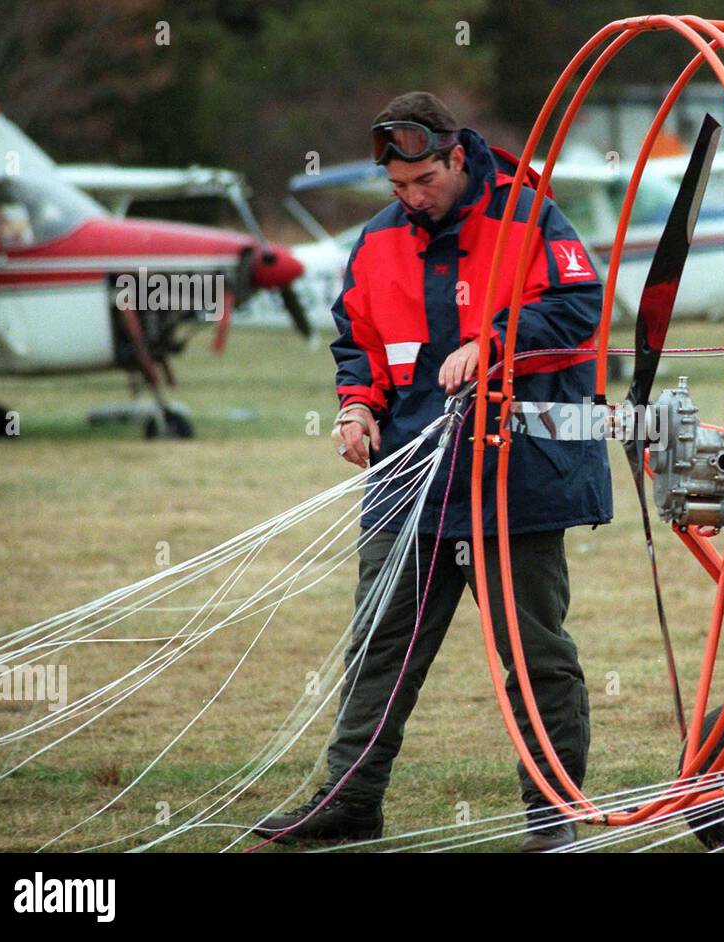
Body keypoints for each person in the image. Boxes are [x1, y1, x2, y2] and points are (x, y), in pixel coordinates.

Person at [254, 92, 612, 852]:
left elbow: (582, 308)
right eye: (398, 188)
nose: (412, 199)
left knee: (535, 654)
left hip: (515, 478)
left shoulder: (531, 216)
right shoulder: (377, 241)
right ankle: (350, 804)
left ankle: (553, 815)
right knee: (378, 649)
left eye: (424, 182)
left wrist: (496, 341)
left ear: (456, 157)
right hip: (409, 482)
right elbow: (358, 341)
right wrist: (355, 408)